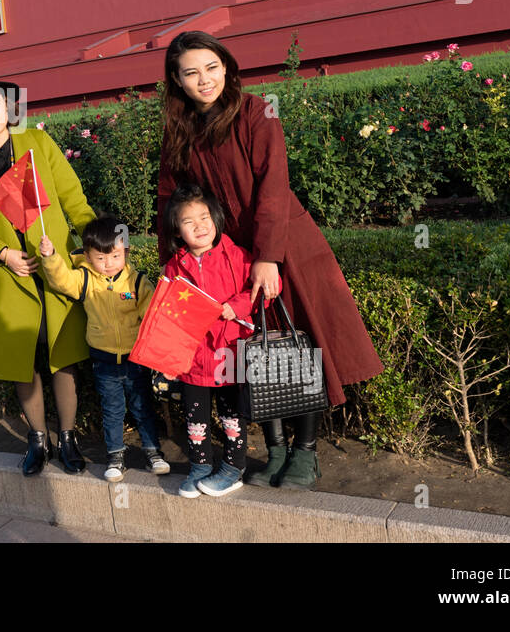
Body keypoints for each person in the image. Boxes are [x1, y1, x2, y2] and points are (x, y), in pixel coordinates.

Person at [155, 31, 383, 489]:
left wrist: (268, 257)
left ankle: (305, 452)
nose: (205, 80)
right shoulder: (179, 130)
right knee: (256, 350)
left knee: (295, 344)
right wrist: (173, 265)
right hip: (224, 258)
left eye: (212, 67)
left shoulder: (257, 112)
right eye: (192, 73)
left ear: (227, 66)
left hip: (282, 245)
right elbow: (169, 199)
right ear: (177, 81)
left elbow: (273, 185)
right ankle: (275, 449)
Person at [0, 70, 96, 475]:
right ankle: (38, 439)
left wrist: (93, 237)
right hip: (8, 275)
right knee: (23, 360)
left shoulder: (36, 142)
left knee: (61, 354)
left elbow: (71, 194)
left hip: (52, 264)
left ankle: (67, 438)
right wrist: (2, 254)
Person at [161, 183, 277, 497]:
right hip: (194, 356)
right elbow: (168, 314)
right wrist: (169, 360)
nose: (199, 225)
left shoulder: (238, 257)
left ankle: (233, 465)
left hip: (229, 352)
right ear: (177, 229)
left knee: (231, 415)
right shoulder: (175, 266)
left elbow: (260, 295)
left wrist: (235, 306)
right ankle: (200, 465)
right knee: (194, 416)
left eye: (204, 217)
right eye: (188, 221)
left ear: (216, 218)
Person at [37, 216, 170, 482]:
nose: (107, 264)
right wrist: (50, 257)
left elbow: (152, 317)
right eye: (100, 258)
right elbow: (61, 280)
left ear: (126, 253)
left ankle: (153, 452)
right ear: (87, 256)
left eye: (115, 256)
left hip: (136, 359)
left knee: (142, 405)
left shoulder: (137, 283)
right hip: (104, 360)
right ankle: (115, 456)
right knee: (112, 409)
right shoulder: (85, 279)